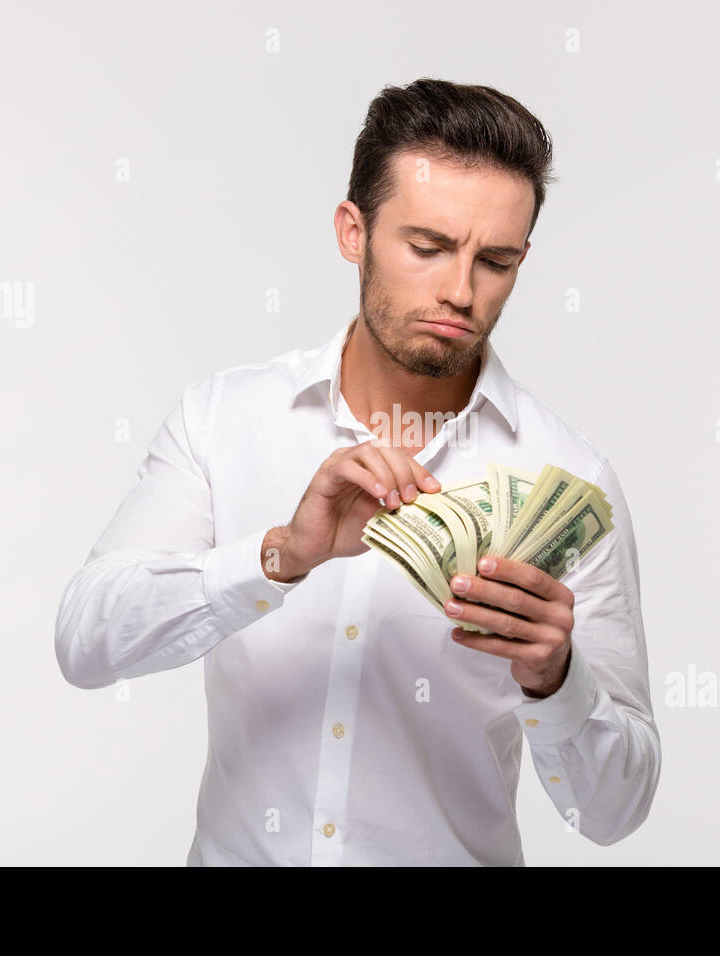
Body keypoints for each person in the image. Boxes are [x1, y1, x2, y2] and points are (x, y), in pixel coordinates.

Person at [54, 78, 661, 866]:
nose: (460, 291)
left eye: (497, 261)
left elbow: (616, 810)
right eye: (429, 246)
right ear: (354, 231)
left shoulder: (569, 474)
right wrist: (277, 557)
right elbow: (88, 640)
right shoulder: (224, 418)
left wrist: (555, 678)